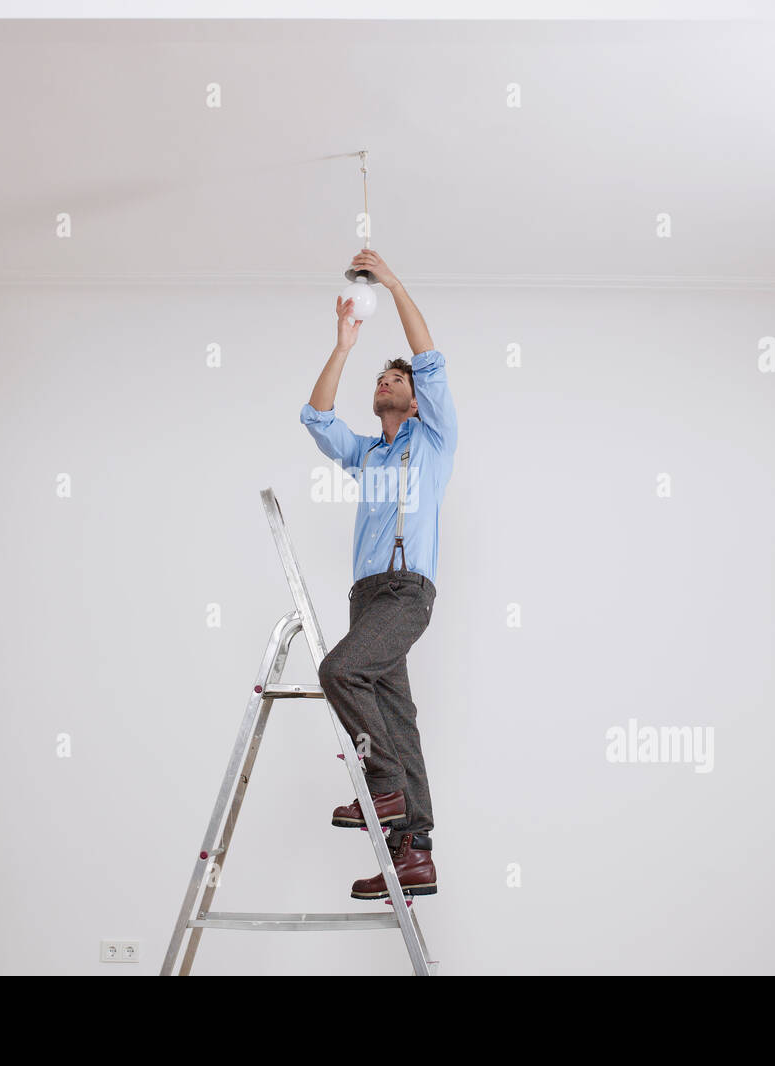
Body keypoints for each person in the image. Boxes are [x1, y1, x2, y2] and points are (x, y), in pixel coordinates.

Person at [299, 249, 458, 900]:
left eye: (397, 376)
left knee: (339, 672)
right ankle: (415, 850)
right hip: (367, 598)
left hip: (406, 591)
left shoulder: (435, 439)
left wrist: (390, 283)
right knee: (398, 716)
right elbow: (316, 419)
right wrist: (343, 345)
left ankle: (384, 790)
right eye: (382, 376)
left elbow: (430, 357)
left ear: (417, 399)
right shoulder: (368, 455)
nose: (387, 379)